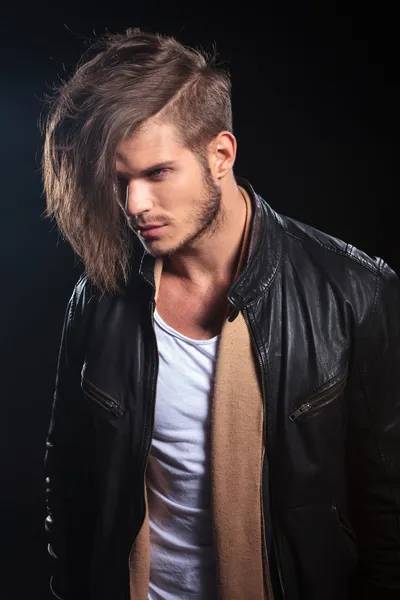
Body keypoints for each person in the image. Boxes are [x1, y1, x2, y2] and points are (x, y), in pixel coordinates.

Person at [42, 28, 400, 600]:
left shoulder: (353, 293)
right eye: (120, 181)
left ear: (220, 155)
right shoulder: (98, 297)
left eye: (158, 173)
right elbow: (69, 478)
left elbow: (387, 512)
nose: (135, 205)